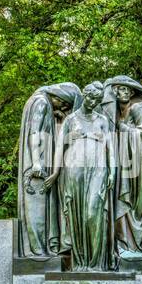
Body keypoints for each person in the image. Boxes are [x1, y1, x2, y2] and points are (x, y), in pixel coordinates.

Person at [51, 82, 117, 270]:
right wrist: (56, 172)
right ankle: (80, 264)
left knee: (92, 214)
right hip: (74, 170)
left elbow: (110, 148)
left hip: (98, 170)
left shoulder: (102, 120)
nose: (93, 102)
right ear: (84, 95)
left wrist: (113, 170)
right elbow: (58, 147)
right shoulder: (71, 119)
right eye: (90, 98)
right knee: (77, 215)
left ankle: (96, 264)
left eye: (97, 100)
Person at [16, 83, 82, 257]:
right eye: (65, 105)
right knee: (37, 205)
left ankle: (40, 248)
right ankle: (37, 252)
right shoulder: (42, 103)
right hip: (38, 162)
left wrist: (57, 119)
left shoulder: (36, 100)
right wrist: (36, 162)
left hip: (39, 159)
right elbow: (35, 133)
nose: (64, 109)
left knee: (40, 204)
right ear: (59, 97)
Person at [104, 75, 142, 256]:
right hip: (125, 163)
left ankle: (134, 243)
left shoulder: (138, 109)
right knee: (121, 197)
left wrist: (123, 129)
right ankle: (123, 243)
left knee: (132, 202)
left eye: (125, 89)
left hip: (138, 166)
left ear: (131, 93)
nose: (122, 92)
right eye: (119, 89)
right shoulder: (118, 112)